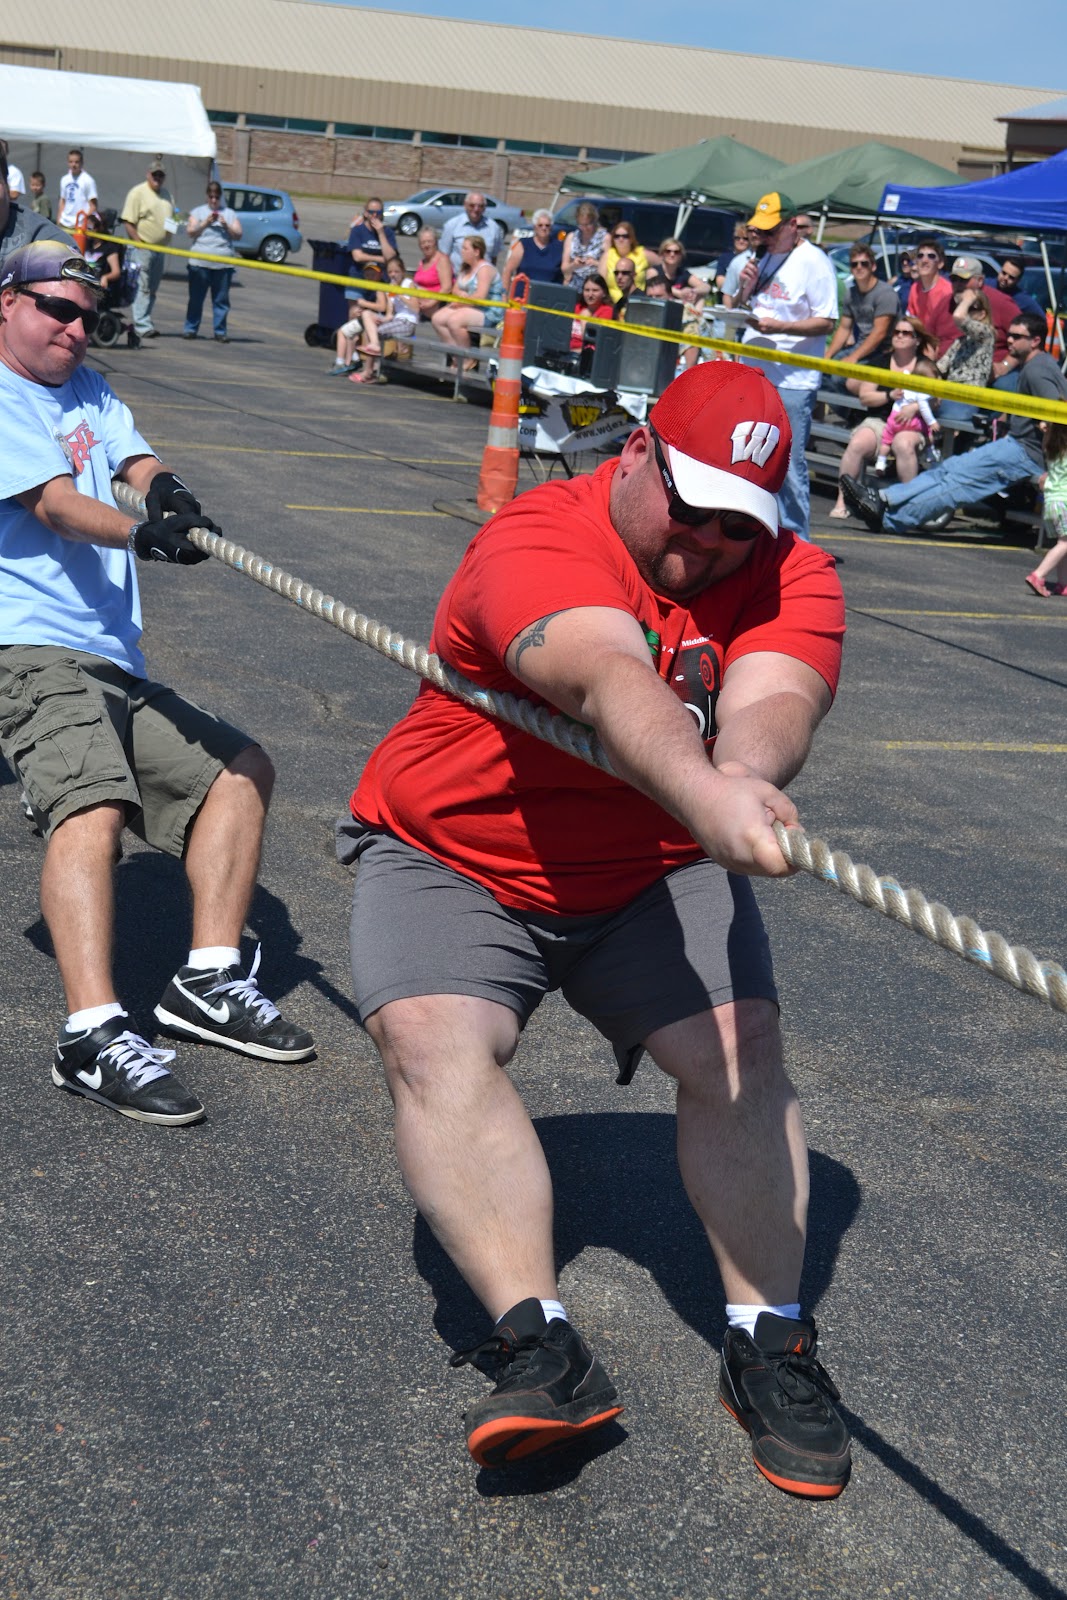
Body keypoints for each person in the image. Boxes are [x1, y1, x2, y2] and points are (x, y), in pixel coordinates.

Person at [337, 358, 851, 1497]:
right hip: (457, 850)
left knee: (741, 1047)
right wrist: (701, 789)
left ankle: (770, 1344)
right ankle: (541, 1347)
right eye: (691, 507)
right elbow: (607, 679)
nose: (706, 543)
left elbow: (776, 696)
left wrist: (740, 777)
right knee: (429, 1037)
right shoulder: (536, 536)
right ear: (635, 455)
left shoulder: (792, 570)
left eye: (737, 525)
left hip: (649, 868)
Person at [0, 241, 314, 1126]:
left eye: (88, 316)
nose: (75, 327)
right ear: (7, 303)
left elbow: (130, 457)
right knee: (91, 802)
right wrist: (141, 535)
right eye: (57, 309)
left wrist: (164, 485)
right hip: (25, 645)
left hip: (109, 653)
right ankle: (91, 1035)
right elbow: (55, 504)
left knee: (239, 772)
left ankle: (206, 981)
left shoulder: (88, 388)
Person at [842, 312, 1067, 533]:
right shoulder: (1037, 365)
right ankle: (881, 498)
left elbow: (1059, 416)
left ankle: (889, 519)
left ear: (1035, 341)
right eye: (1009, 335)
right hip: (1016, 445)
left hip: (1026, 454)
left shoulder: (1037, 370)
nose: (1009, 340)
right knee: (947, 470)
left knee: (955, 487)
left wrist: (1055, 469)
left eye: (1017, 336)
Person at [735, 192, 839, 542]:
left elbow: (826, 321)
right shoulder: (762, 257)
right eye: (760, 231)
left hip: (792, 379)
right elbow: (744, 305)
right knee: (748, 456)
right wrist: (744, 288)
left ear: (793, 225)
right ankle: (756, 538)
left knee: (789, 465)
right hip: (755, 372)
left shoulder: (814, 262)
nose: (763, 237)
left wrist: (779, 327)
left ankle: (798, 545)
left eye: (771, 230)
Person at [829, 316, 938, 517]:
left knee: (903, 444)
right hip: (880, 421)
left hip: (913, 424)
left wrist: (914, 407)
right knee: (858, 443)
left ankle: (907, 506)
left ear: (917, 340)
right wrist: (889, 395)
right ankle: (842, 501)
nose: (900, 336)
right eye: (896, 332)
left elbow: (936, 399)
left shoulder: (925, 366)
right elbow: (865, 396)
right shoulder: (880, 362)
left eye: (906, 333)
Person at [430, 235, 503, 368]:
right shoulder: (466, 268)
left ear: (476, 251)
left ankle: (469, 357)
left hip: (488, 311)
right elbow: (455, 289)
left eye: (465, 248)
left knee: (455, 321)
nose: (461, 251)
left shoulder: (485, 269)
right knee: (437, 319)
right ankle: (457, 357)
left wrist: (461, 303)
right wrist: (461, 295)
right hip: (470, 306)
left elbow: (480, 296)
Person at [182, 180, 242, 343]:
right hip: (199, 264)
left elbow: (238, 234)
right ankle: (190, 329)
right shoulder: (198, 212)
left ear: (220, 197)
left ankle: (220, 331)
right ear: (207, 197)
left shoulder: (229, 213)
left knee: (221, 301)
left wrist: (226, 226)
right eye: (211, 197)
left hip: (223, 265)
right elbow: (190, 232)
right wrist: (205, 223)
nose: (214, 200)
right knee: (196, 299)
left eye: (216, 197)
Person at [121, 161, 175, 340]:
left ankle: (145, 320)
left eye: (161, 175)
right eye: (155, 174)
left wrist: (176, 226)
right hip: (143, 247)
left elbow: (173, 218)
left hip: (160, 248)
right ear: (148, 174)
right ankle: (142, 325)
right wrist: (139, 243)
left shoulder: (167, 195)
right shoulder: (137, 192)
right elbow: (128, 221)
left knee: (152, 288)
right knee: (142, 286)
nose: (157, 178)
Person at [824, 244, 898, 372]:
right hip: (860, 346)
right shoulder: (850, 294)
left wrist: (854, 357)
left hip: (884, 351)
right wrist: (828, 356)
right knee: (825, 371)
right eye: (854, 264)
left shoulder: (885, 294)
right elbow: (844, 329)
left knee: (838, 377)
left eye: (864, 264)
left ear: (873, 266)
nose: (859, 267)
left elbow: (879, 333)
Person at [351, 256, 418, 382]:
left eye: (396, 271)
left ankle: (368, 372)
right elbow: (389, 313)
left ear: (403, 271)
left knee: (376, 332)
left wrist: (400, 293)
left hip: (407, 322)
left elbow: (416, 308)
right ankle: (372, 359)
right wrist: (382, 320)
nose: (393, 275)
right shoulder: (390, 287)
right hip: (395, 321)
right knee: (367, 314)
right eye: (390, 272)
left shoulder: (408, 284)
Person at [1, 148, 69, 265]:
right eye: (33, 184)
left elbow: (45, 216)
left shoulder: (50, 242)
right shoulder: (36, 199)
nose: (35, 187)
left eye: (37, 185)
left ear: (7, 184)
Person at [1025, 420, 1067, 596]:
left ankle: (1063, 583)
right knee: (1065, 544)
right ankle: (1038, 575)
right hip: (1064, 502)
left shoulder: (1052, 449)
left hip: (1051, 503)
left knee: (1062, 543)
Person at [328, 260, 387, 378]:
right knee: (343, 332)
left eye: (373, 274)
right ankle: (344, 361)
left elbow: (382, 306)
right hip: (366, 318)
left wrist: (365, 304)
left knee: (361, 336)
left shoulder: (379, 287)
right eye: (367, 273)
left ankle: (364, 365)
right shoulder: (368, 287)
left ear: (380, 274)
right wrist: (361, 309)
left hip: (376, 320)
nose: (370, 276)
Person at [906, 238, 954, 357]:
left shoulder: (947, 291)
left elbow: (947, 332)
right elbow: (912, 321)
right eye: (920, 256)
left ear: (940, 263)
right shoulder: (914, 288)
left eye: (931, 256)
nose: (924, 260)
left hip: (941, 348)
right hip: (920, 344)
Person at [439, 192, 504, 272]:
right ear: (465, 205)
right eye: (472, 205)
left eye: (480, 206)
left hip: (484, 277)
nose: (476, 209)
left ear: (484, 208)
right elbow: (444, 256)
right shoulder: (452, 225)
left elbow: (494, 257)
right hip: (458, 277)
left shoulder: (494, 228)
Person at [501, 209, 563, 293]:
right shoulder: (523, 244)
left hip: (549, 296)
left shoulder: (559, 247)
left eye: (547, 225)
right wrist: (504, 294)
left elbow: (566, 274)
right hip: (523, 296)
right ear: (534, 227)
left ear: (551, 227)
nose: (544, 228)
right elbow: (508, 271)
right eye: (540, 225)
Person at [561, 201, 608, 291]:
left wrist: (594, 263)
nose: (584, 228)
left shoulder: (604, 238)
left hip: (594, 287)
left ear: (594, 221)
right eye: (581, 225)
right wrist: (574, 265)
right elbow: (564, 269)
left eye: (588, 224)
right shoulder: (572, 237)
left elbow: (608, 268)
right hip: (573, 286)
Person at [600, 220, 650, 304]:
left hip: (637, 301)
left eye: (625, 236)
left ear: (632, 238)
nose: (621, 239)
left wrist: (652, 275)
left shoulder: (642, 253)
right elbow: (600, 283)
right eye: (617, 236)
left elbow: (662, 264)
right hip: (614, 303)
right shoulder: (607, 255)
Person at [410, 226, 453, 321]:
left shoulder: (442, 260)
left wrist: (430, 303)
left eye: (429, 241)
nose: (426, 245)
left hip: (436, 304)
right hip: (419, 301)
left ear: (436, 242)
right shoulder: (422, 262)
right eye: (423, 242)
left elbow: (447, 288)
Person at [347, 197, 398, 275]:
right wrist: (381, 259)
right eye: (371, 212)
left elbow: (391, 257)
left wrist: (381, 233)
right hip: (359, 273)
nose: (375, 215)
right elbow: (357, 257)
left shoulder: (388, 232)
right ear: (366, 213)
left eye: (378, 212)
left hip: (381, 275)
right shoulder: (357, 230)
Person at [569, 271, 613, 351]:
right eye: (587, 290)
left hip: (586, 353)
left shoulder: (607, 311)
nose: (590, 295)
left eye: (595, 290)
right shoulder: (578, 307)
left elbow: (592, 341)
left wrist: (584, 318)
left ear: (604, 293)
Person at [56, 149, 97, 231]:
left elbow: (93, 206)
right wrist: (59, 220)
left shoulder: (88, 180)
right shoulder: (64, 179)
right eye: (71, 162)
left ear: (82, 163)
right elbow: (63, 201)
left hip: (80, 226)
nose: (73, 165)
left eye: (76, 162)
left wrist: (84, 221)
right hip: (64, 223)